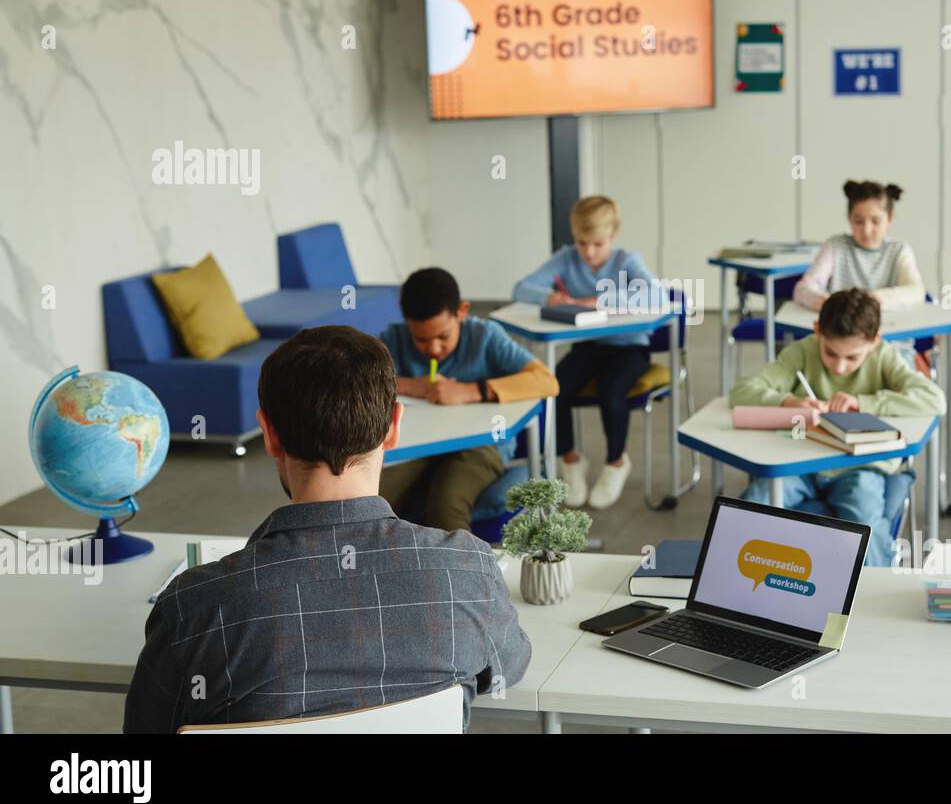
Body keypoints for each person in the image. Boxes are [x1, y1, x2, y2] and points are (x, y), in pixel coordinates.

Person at [124, 325, 531, 733]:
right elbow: (509, 667)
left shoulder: (195, 607)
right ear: (394, 426)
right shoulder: (468, 571)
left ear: (269, 434)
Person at [729, 289, 946, 567]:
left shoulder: (883, 356)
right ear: (817, 330)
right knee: (753, 506)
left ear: (874, 340)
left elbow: (935, 399)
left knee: (863, 518)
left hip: (860, 466)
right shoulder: (803, 351)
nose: (840, 367)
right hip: (800, 463)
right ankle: (733, 593)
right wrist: (789, 401)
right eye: (831, 353)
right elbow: (742, 391)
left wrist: (862, 402)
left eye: (853, 358)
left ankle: (877, 597)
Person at [378, 267, 557, 531]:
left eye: (443, 336)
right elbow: (358, 382)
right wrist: (412, 385)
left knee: (446, 505)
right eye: (421, 340)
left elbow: (547, 381)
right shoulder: (394, 338)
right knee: (374, 499)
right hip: (418, 445)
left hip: (481, 445)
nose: (434, 349)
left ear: (462, 311)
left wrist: (470, 391)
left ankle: (462, 571)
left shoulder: (485, 337)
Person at [513, 195, 661, 509]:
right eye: (582, 243)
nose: (589, 252)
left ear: (613, 236)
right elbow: (521, 288)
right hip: (590, 347)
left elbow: (656, 294)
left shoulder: (627, 260)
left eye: (597, 243)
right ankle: (570, 459)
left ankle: (616, 462)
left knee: (612, 392)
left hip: (630, 348)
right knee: (554, 388)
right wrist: (550, 297)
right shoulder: (566, 259)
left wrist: (600, 301)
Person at [794, 180, 927, 368]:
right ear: (849, 218)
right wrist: (830, 304)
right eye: (858, 221)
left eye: (875, 221)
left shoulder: (898, 250)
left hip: (890, 345)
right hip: (842, 347)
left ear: (890, 218)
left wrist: (870, 301)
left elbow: (916, 290)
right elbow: (803, 289)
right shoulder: (836, 247)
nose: (866, 230)